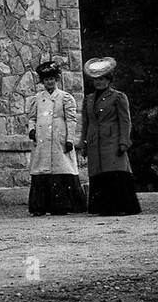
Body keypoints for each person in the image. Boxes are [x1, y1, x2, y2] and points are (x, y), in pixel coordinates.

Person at [79, 57, 141, 216]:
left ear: (108, 80)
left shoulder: (118, 97)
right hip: (95, 142)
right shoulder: (89, 99)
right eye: (96, 80)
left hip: (112, 141)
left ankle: (121, 207)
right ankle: (103, 208)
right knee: (98, 173)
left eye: (101, 79)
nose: (98, 83)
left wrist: (124, 142)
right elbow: (86, 123)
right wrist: (83, 143)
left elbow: (125, 121)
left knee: (115, 172)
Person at [26, 60, 86, 216]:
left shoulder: (65, 98)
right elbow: (32, 117)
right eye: (46, 80)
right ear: (42, 82)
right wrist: (32, 130)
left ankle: (62, 206)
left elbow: (71, 120)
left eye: (52, 79)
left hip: (59, 137)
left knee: (61, 168)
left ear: (56, 79)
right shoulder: (38, 98)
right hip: (42, 138)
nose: (49, 82)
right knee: (41, 170)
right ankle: (39, 206)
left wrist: (70, 139)